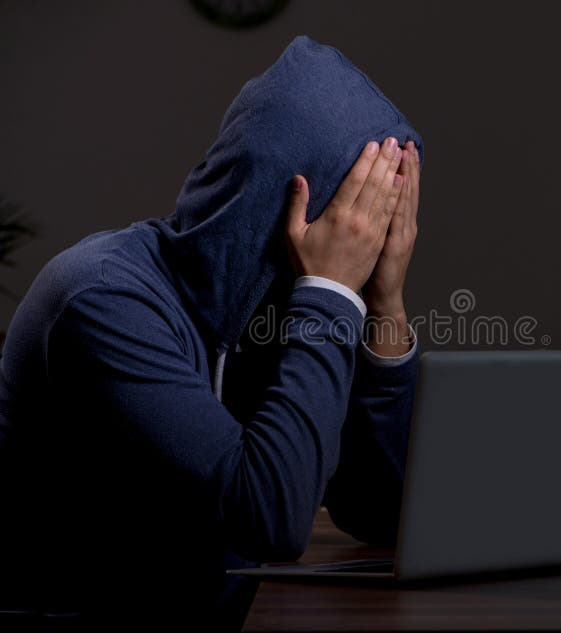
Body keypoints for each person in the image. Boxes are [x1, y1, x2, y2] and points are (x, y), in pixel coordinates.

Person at [0, 35, 423, 630]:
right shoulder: (97, 301)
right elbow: (270, 521)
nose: (369, 240)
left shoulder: (271, 318)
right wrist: (328, 296)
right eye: (360, 217)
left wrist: (386, 304)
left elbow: (383, 513)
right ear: (286, 204)